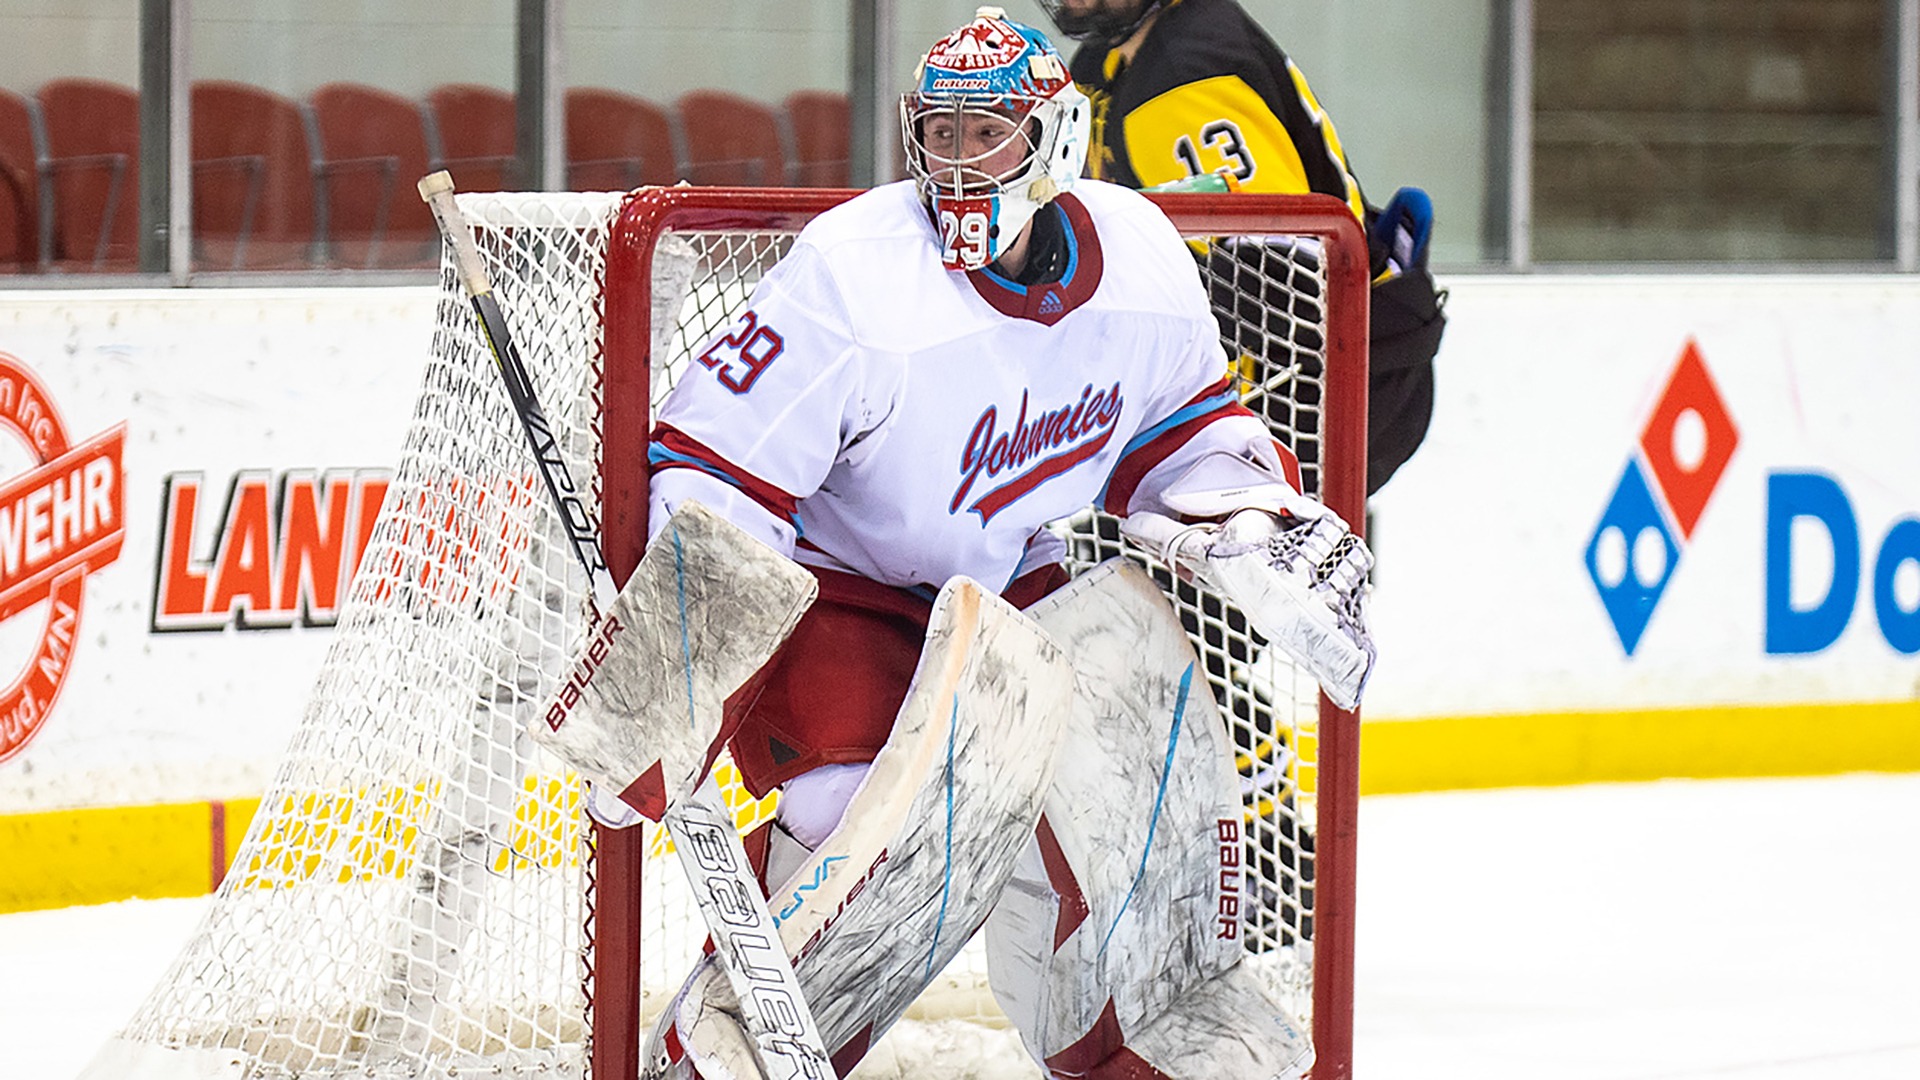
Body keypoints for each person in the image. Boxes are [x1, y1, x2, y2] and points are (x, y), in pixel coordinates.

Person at [633, 9, 1370, 1078]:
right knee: (867, 825)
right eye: (942, 131)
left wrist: (1247, 517)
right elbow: (716, 469)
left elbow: (1188, 428)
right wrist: (685, 657)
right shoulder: (854, 271)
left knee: (1121, 808)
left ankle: (1121, 1047)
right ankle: (729, 1052)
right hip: (846, 586)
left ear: (1055, 141)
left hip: (1013, 588)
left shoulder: (1141, 258)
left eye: (990, 135)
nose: (961, 160)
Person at [1039, 0, 1446, 498]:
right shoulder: (1107, 63)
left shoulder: (1184, 74)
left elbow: (1288, 289)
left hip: (1320, 401)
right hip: (1313, 380)